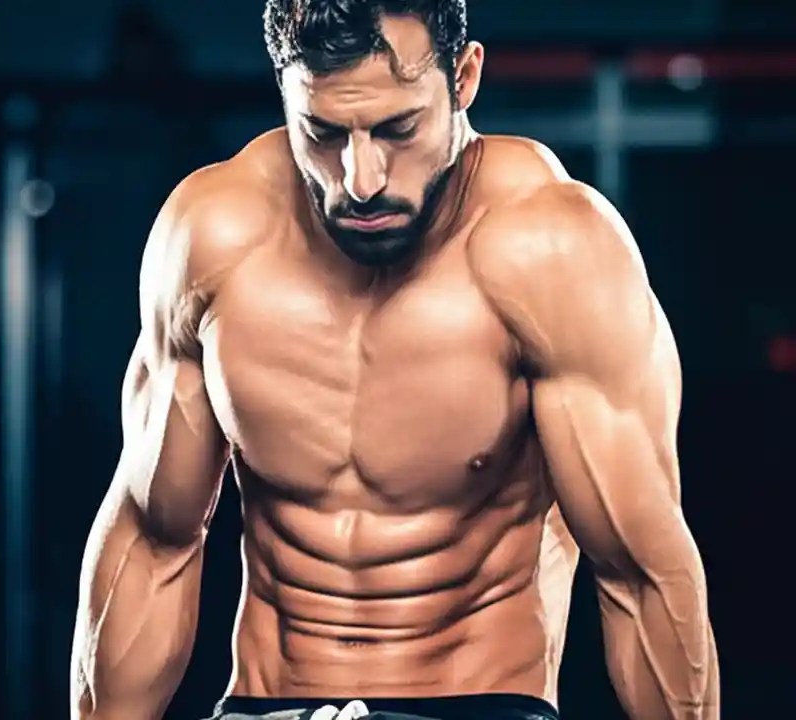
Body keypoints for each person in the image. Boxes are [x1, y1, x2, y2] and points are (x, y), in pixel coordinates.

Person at [69, 2, 719, 719]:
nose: (361, 180)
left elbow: (641, 574)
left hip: (475, 702)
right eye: (321, 133)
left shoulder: (549, 249)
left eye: (398, 128)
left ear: (465, 79)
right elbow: (153, 538)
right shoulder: (215, 236)